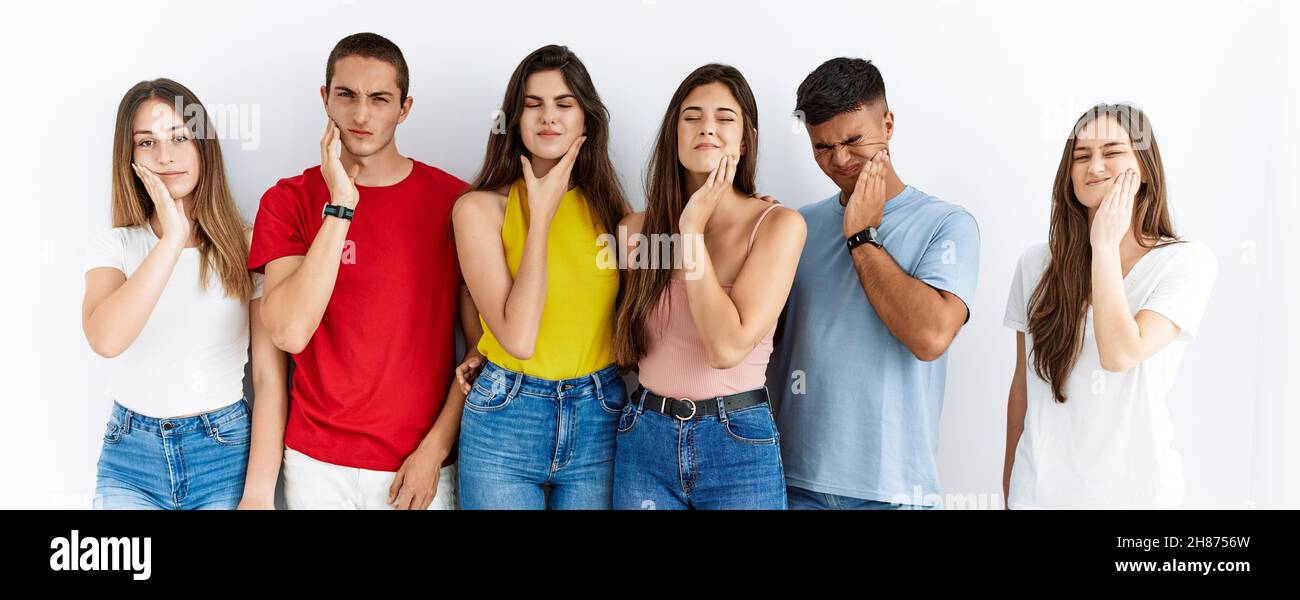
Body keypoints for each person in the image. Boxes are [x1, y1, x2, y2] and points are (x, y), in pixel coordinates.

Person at [247, 33, 470, 510]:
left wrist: (436, 449)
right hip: (315, 465)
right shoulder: (287, 201)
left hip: (420, 465)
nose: (361, 115)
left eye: (379, 98)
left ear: (404, 108)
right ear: (325, 98)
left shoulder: (454, 203)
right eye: (346, 95)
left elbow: (481, 351)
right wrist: (341, 207)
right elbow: (288, 330)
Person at [768, 58, 981, 510]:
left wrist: (861, 237)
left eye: (852, 140)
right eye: (823, 147)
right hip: (792, 482)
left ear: (887, 122)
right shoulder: (796, 226)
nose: (840, 159)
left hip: (894, 493)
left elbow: (930, 336)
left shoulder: (948, 224)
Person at [83, 78, 287, 510]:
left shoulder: (247, 245)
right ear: (130, 157)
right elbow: (106, 339)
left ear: (203, 147)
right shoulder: (115, 246)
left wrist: (259, 494)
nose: (165, 155)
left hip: (223, 452)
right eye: (146, 142)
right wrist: (172, 239)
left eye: (179, 137)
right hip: (130, 455)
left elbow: (269, 381)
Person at [1003, 104, 1217, 509]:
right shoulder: (1035, 265)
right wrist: (1011, 487)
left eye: (1112, 151)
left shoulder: (1186, 262)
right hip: (1039, 496)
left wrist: (1103, 245)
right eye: (1081, 156)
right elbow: (1022, 387)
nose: (1094, 166)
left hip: (1137, 497)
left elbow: (1120, 353)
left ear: (1146, 168)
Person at [612, 64, 806, 510]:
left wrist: (692, 230)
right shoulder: (635, 235)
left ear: (745, 138)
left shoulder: (777, 226)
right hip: (644, 437)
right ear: (673, 133)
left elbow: (725, 348)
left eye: (725, 117)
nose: (708, 128)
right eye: (692, 116)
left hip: (737, 440)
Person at [452, 45, 630, 509]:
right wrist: (542, 212)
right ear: (513, 120)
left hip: (601, 411)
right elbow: (519, 337)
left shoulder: (615, 214)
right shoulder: (479, 210)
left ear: (586, 120)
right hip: (506, 414)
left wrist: (744, 204)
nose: (548, 117)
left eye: (564, 104)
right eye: (533, 104)